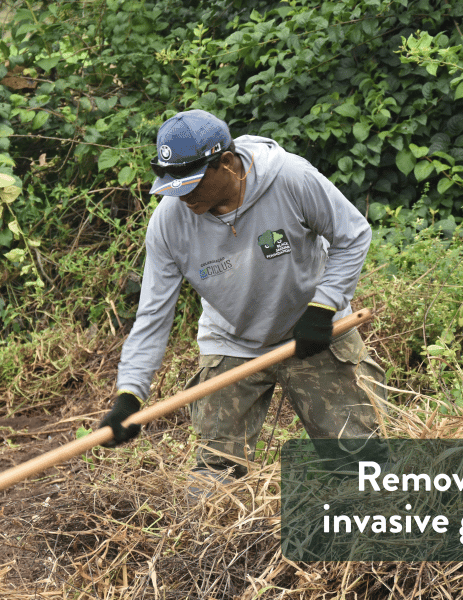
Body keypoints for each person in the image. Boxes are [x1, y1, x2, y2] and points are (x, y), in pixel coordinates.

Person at [99, 109, 387, 487]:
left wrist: (323, 306)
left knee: (362, 463)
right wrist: (130, 395)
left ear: (228, 163)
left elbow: (352, 235)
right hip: (232, 341)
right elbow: (153, 315)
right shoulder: (169, 224)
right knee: (214, 480)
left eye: (193, 184)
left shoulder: (289, 178)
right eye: (174, 185)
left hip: (314, 329)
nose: (183, 196)